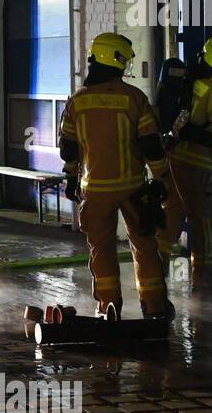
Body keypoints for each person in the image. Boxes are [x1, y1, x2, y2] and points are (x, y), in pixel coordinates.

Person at [59, 32, 173, 320]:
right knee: (145, 248)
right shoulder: (134, 98)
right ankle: (155, 308)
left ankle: (108, 307)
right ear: (118, 61)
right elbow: (151, 145)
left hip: (94, 191)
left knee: (101, 250)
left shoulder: (77, 101)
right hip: (132, 189)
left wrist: (71, 178)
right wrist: (162, 178)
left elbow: (68, 148)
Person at [155, 35, 212, 292]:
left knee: (169, 218)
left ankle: (152, 274)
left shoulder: (188, 82)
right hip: (199, 164)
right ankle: (206, 281)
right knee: (204, 221)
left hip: (171, 160)